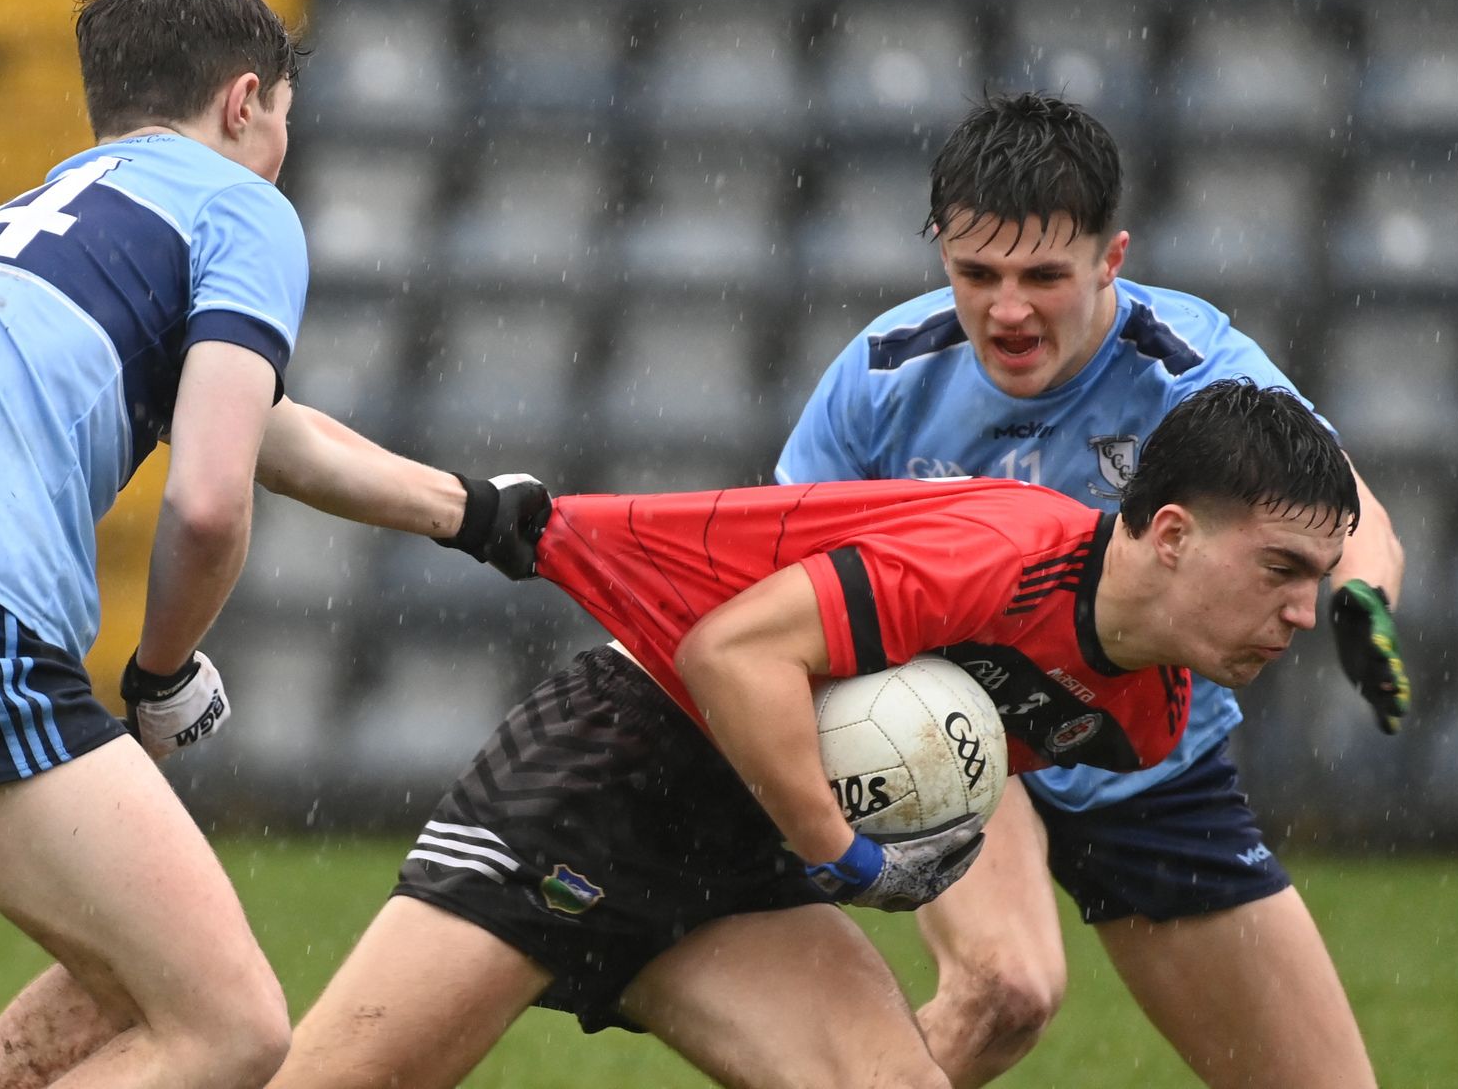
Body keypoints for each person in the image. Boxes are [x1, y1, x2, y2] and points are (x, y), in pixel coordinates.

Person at [0, 0, 549, 1089]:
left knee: (140, 957)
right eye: (283, 125)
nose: (280, 154)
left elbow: (268, 425)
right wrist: (158, 673)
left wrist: (466, 512)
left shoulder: (28, 217)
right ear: (244, 102)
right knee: (235, 1028)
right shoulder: (237, 204)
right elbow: (208, 503)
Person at [269, 380, 1359, 1089]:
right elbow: (729, 656)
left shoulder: (1145, 711)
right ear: (1168, 534)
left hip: (739, 848)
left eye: (1316, 581)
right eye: (1279, 571)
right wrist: (846, 854)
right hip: (611, 773)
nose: (1302, 615)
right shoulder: (998, 552)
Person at [777, 92, 1409, 1089]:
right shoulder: (882, 373)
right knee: (1006, 988)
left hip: (1150, 756)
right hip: (953, 726)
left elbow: (1345, 506)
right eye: (973, 275)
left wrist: (1359, 599)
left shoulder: (1190, 373)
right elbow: (773, 562)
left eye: (1042, 275)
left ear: (1110, 260)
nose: (1006, 310)